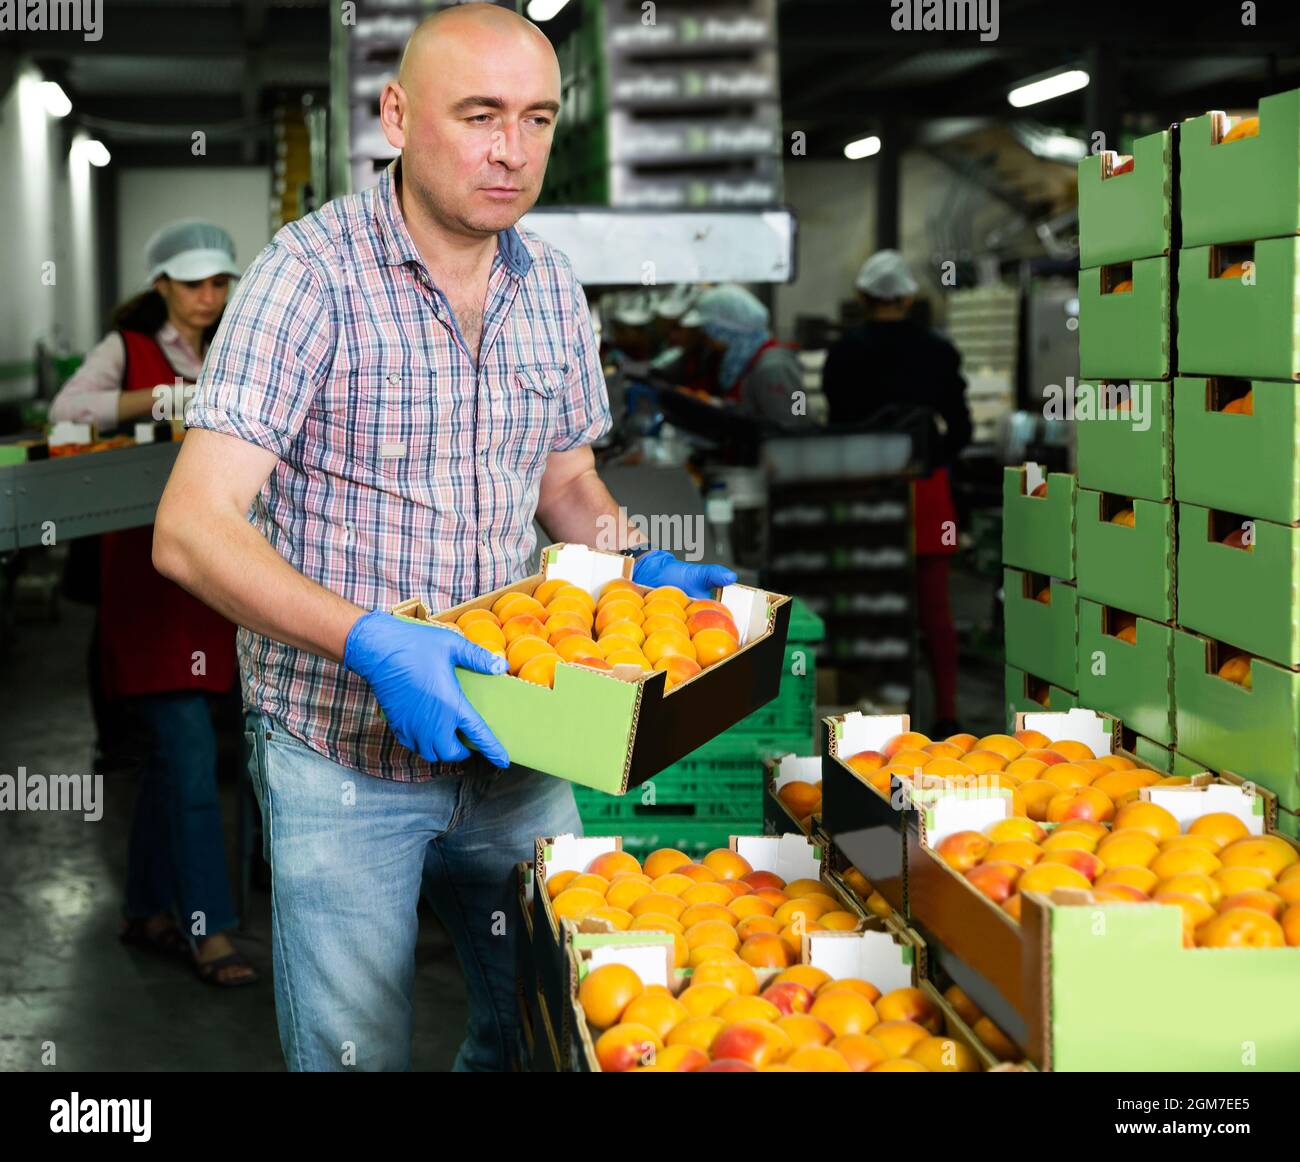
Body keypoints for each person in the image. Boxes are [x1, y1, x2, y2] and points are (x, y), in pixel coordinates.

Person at [152, 3, 734, 1072]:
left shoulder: (551, 287)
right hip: (341, 754)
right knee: (355, 1055)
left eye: (537, 118)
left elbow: (563, 477)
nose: (511, 150)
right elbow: (191, 531)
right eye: (478, 116)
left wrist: (630, 560)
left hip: (522, 742)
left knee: (542, 1030)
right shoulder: (307, 277)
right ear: (396, 115)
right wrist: (373, 639)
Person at [50, 221, 255, 986]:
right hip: (145, 584)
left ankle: (147, 911)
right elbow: (66, 416)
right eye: (196, 282)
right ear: (161, 283)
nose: (211, 296)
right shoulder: (126, 349)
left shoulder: (233, 345)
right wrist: (162, 394)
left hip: (211, 581)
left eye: (220, 282)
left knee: (178, 760)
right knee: (193, 759)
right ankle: (210, 933)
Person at [821, 250, 972, 735]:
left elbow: (837, 430)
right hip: (928, 491)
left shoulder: (844, 353)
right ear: (909, 296)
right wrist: (933, 462)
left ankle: (875, 719)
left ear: (863, 297)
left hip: (867, 491)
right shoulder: (938, 350)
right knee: (936, 607)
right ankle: (947, 713)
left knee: (872, 605)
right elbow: (962, 428)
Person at [693, 284, 807, 430]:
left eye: (710, 331)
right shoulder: (745, 360)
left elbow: (793, 424)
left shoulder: (774, 367)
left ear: (728, 331)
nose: (708, 339)